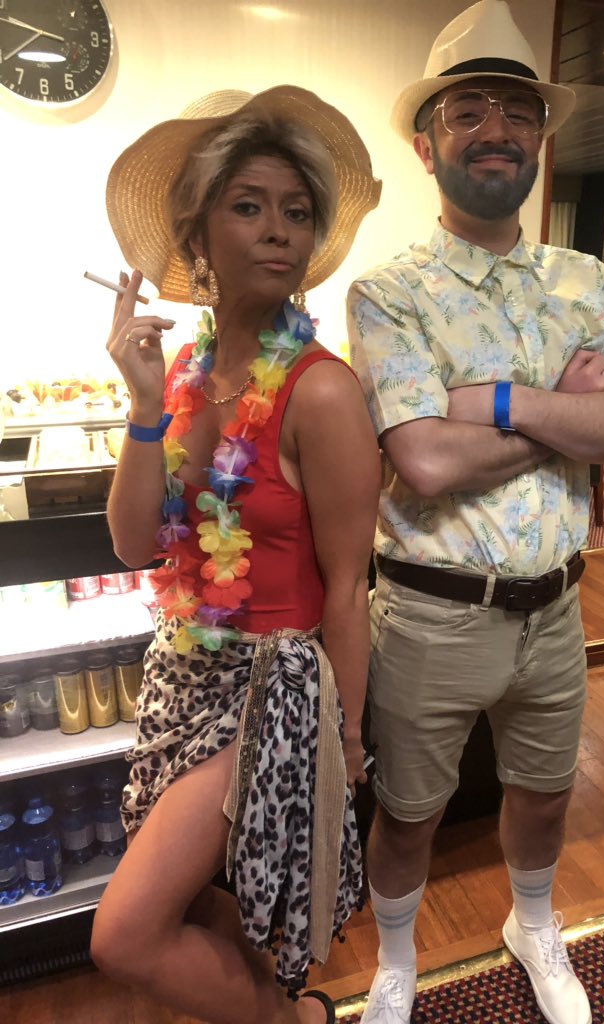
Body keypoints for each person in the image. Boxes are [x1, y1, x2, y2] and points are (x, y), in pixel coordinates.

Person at [347, 3, 604, 1023]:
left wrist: (498, 402)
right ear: (426, 142)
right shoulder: (389, 292)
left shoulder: (587, 280)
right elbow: (425, 460)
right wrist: (568, 413)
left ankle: (532, 924)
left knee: (547, 791)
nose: (497, 129)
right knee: (410, 812)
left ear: (540, 136)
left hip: (557, 610)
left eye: (519, 111)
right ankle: (397, 962)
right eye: (469, 109)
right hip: (430, 614)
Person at [90, 86, 382, 1024]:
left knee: (124, 935)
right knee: (205, 909)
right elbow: (135, 543)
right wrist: (143, 408)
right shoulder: (182, 374)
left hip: (273, 690)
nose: (278, 230)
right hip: (182, 669)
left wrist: (347, 743)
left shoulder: (321, 391)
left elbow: (350, 587)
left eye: (297, 211)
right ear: (198, 233)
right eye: (249, 206)